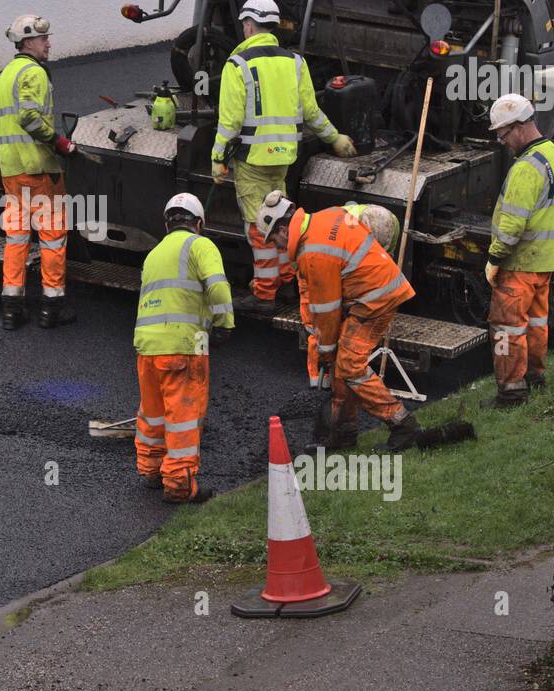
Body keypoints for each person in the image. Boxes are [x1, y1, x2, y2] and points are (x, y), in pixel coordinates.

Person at [211, 0, 355, 303]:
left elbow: (229, 122)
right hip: (284, 158)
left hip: (250, 160)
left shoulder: (237, 65)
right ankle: (289, 283)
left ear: (249, 26)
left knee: (258, 227)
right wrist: (335, 138)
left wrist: (217, 159)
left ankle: (264, 295)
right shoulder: (296, 63)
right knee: (280, 221)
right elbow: (311, 112)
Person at [259, 191, 420, 449]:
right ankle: (344, 433)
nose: (276, 247)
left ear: (281, 228)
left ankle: (402, 423)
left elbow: (327, 310)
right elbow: (313, 296)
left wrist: (324, 349)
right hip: (371, 294)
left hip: (373, 301)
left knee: (349, 365)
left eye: (273, 239)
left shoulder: (313, 253)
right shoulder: (324, 217)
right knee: (342, 363)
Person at [133, 193, 233, 504]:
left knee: (153, 412)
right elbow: (217, 285)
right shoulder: (200, 245)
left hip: (147, 347)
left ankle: (150, 468)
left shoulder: (154, 254)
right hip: (184, 346)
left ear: (167, 224)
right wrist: (225, 323)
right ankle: (178, 484)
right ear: (199, 223)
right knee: (184, 415)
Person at [0, 14, 78, 331]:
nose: (48, 44)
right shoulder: (34, 72)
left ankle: (12, 309)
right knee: (53, 238)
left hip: (11, 170)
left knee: (16, 237)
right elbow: (29, 117)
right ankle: (51, 308)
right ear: (28, 41)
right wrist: (59, 143)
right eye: (44, 39)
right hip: (38, 168)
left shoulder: (6, 75)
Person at [483, 94, 554, 407]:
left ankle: (510, 392)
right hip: (543, 262)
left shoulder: (525, 168)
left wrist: (494, 259)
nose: (503, 142)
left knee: (506, 329)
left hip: (518, 264)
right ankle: (534, 376)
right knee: (535, 322)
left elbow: (511, 227)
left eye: (503, 135)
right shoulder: (553, 153)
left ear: (519, 127)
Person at [301, 202, 401, 391]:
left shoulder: (391, 224)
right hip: (320, 265)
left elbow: (378, 267)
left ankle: (338, 377)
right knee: (318, 325)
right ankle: (317, 382)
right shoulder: (337, 236)